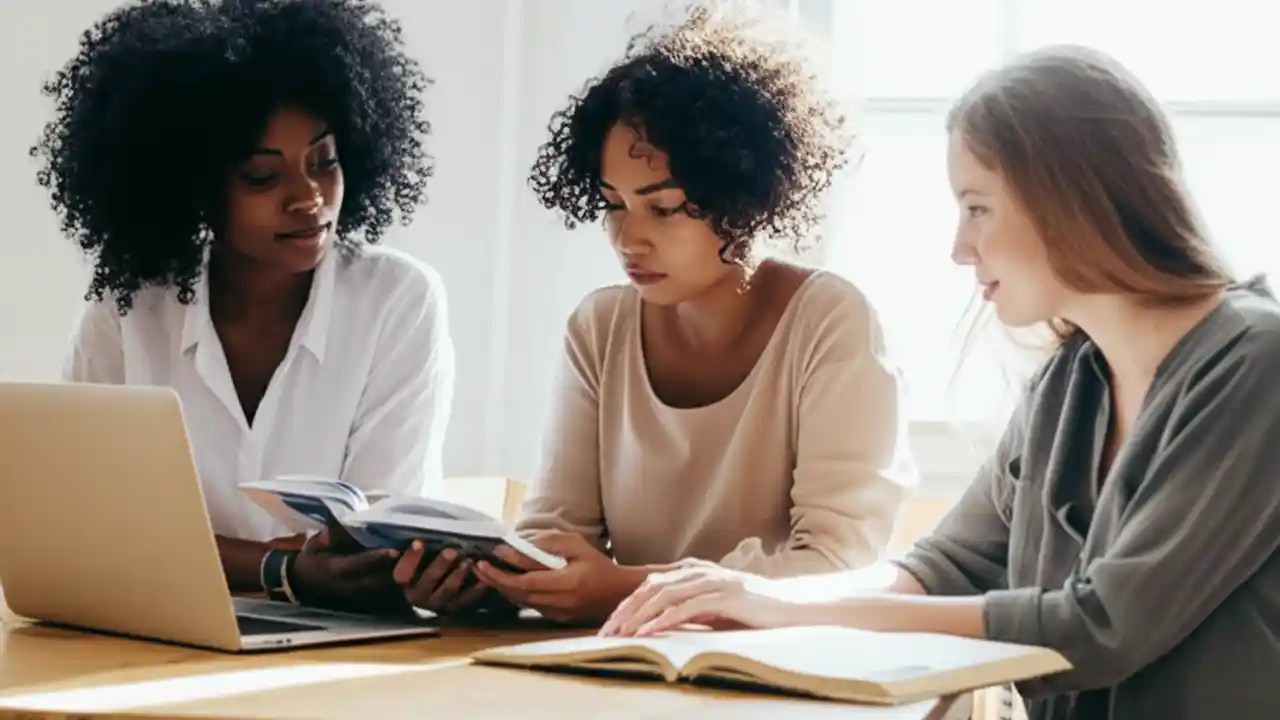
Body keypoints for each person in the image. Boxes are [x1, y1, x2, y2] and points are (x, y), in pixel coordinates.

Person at [599, 45, 1280, 720]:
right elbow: (942, 567)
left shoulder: (1255, 362)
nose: (959, 248)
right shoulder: (1071, 384)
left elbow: (1106, 624)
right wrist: (748, 597)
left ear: (1072, 199)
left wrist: (777, 606)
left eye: (977, 208)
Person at [395, 4, 915, 623]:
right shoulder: (601, 328)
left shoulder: (830, 321)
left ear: (743, 198)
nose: (627, 239)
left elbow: (837, 566)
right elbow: (558, 535)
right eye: (613, 204)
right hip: (621, 668)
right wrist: (489, 583)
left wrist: (621, 587)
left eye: (663, 208)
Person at [36, 0, 453, 614]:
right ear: (196, 188)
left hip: (344, 644)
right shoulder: (127, 310)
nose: (309, 198)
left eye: (324, 161)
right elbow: (87, 528)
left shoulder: (398, 301)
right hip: (153, 625)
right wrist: (281, 568)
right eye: (263, 177)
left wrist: (223, 557)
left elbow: (374, 547)